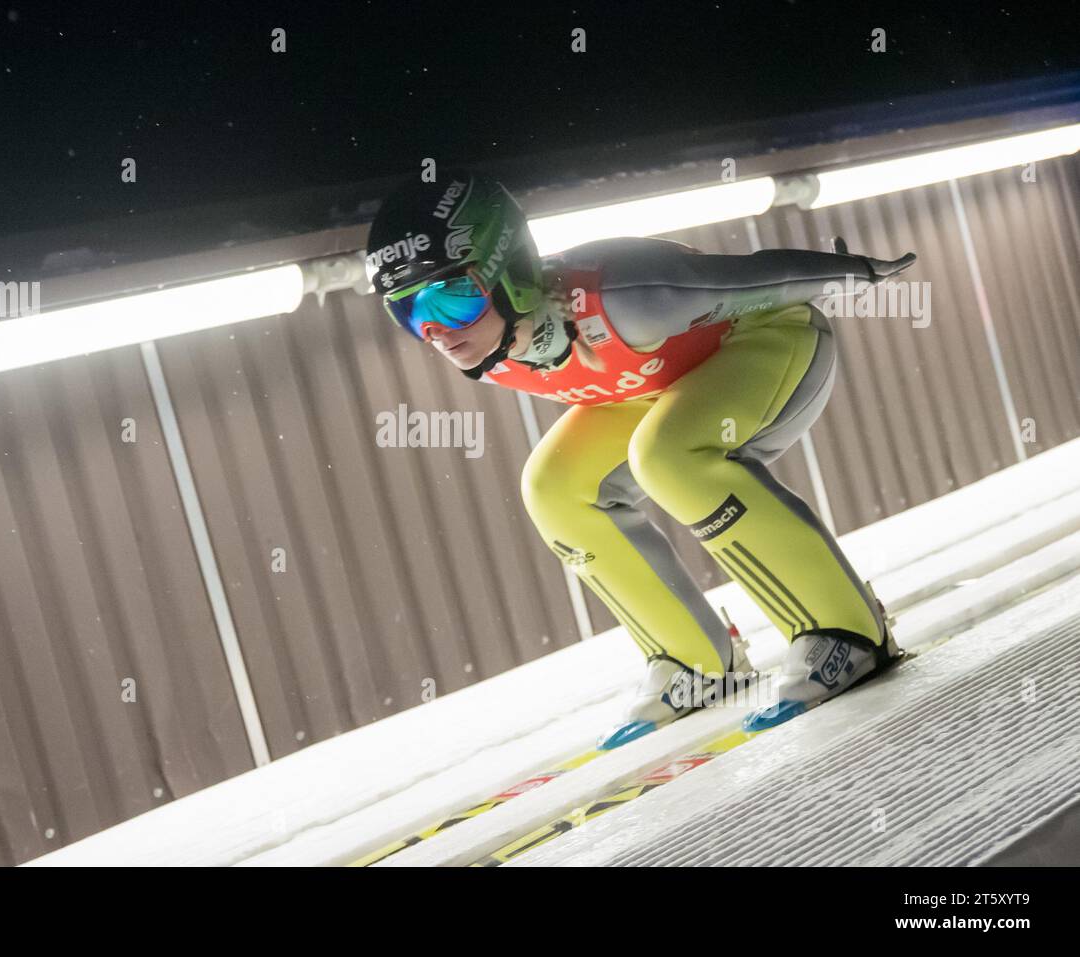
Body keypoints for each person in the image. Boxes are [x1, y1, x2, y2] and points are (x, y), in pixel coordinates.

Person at [364, 169, 916, 736]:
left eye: (453, 298)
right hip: (659, 381)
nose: (436, 331)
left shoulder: (623, 298)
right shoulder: (489, 341)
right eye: (407, 311)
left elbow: (746, 279)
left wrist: (856, 270)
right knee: (552, 488)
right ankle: (696, 663)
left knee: (666, 456)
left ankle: (845, 630)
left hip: (769, 339)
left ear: (512, 276)